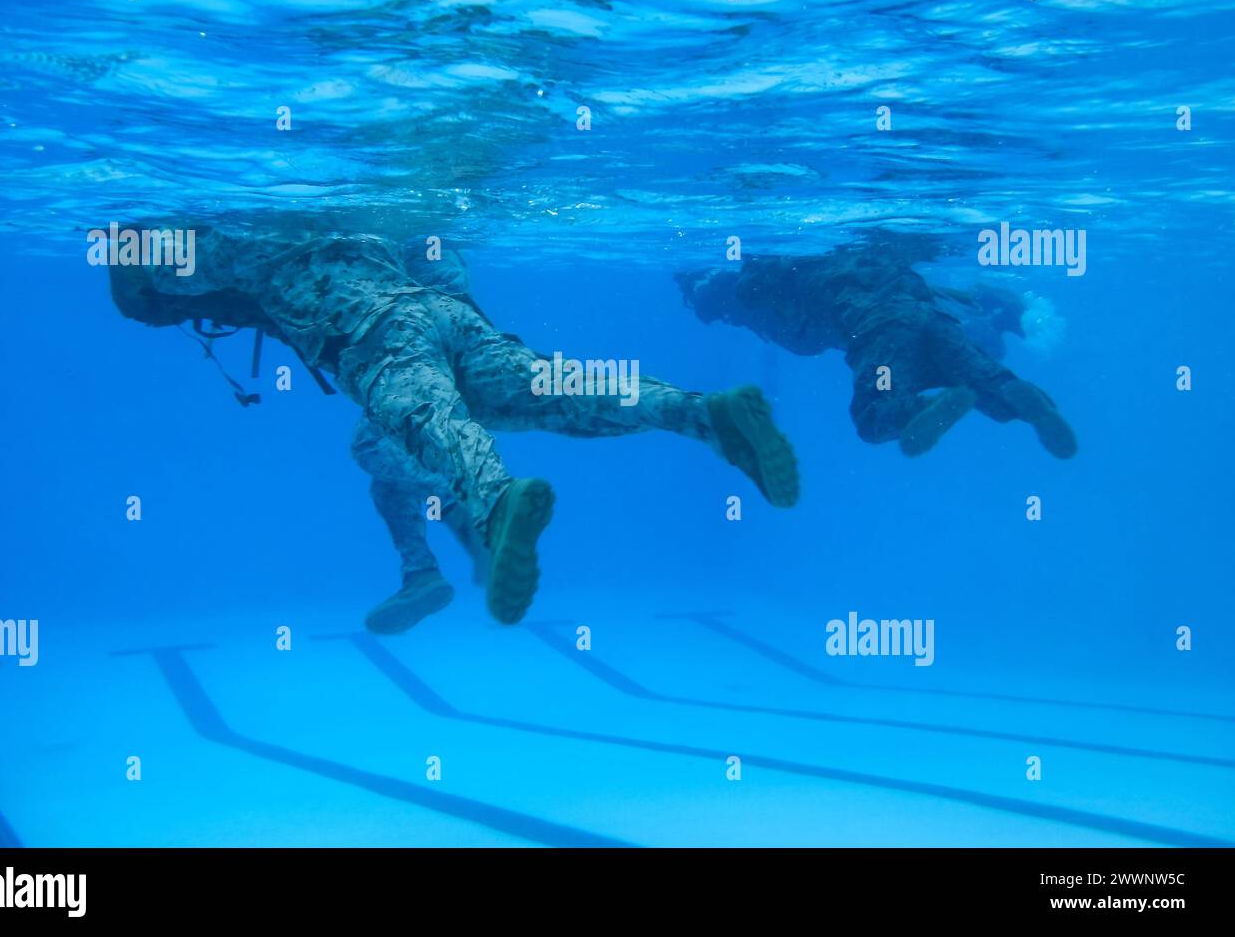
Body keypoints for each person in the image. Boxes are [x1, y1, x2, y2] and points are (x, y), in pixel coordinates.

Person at [107, 220, 801, 633]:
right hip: (451, 316)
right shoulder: (370, 227)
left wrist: (131, 278)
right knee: (554, 390)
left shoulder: (249, 245)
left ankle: (493, 509)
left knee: (426, 422)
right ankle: (701, 414)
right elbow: (442, 258)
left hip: (376, 334)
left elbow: (138, 252)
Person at [676, 231, 1076, 459]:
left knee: (875, 413)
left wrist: (734, 285)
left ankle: (923, 409)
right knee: (984, 375)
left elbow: (751, 289)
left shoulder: (794, 277)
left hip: (882, 334)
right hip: (935, 321)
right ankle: (1023, 401)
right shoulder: (856, 263)